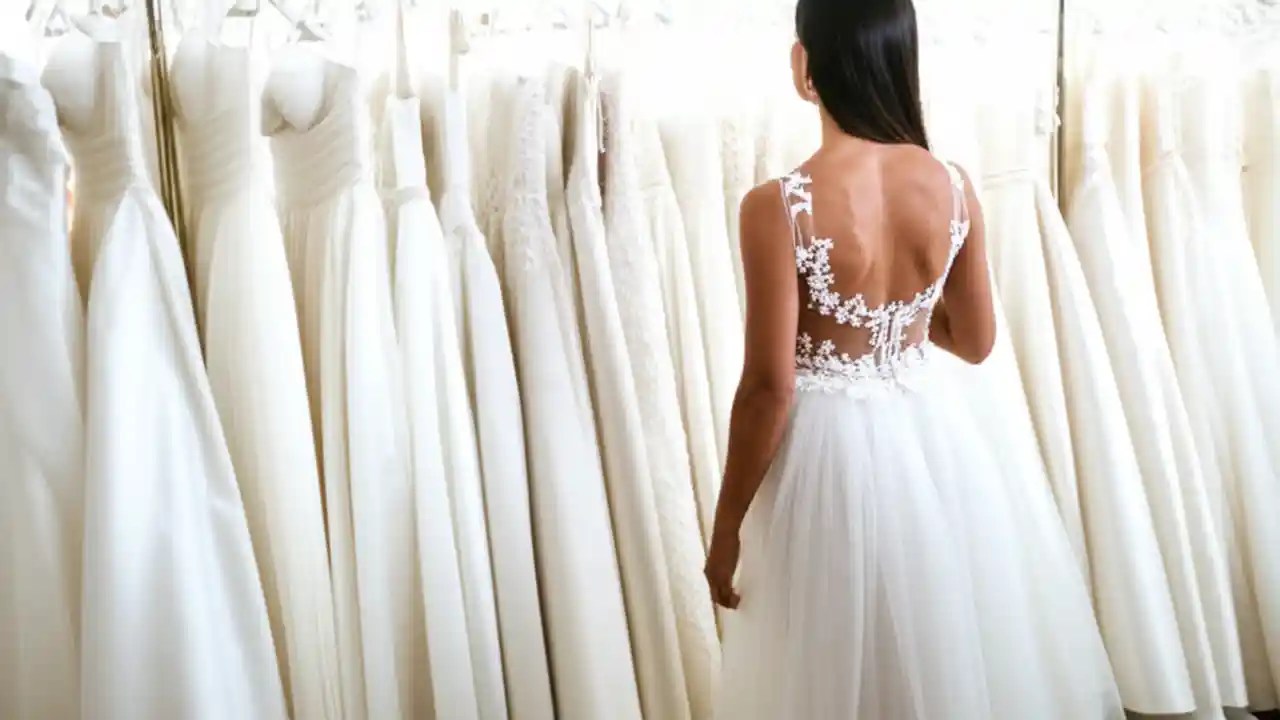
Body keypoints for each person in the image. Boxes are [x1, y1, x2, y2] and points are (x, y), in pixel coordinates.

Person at [706, 1, 1125, 717]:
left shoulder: (776, 207)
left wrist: (725, 528)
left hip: (824, 457)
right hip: (932, 442)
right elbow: (975, 339)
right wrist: (895, 317)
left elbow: (769, 389)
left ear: (805, 64)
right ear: (900, 61)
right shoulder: (954, 185)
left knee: (832, 656)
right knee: (931, 645)